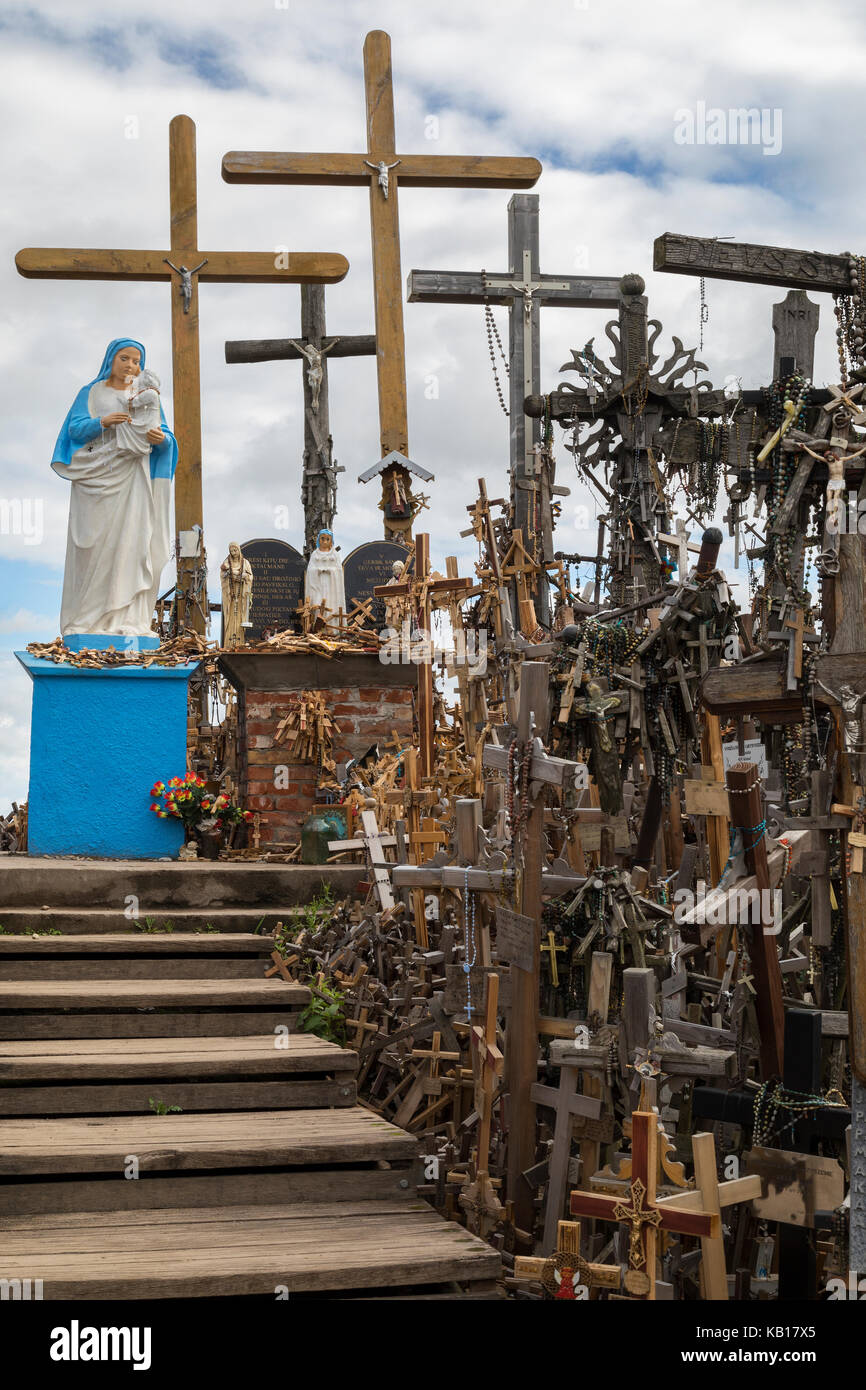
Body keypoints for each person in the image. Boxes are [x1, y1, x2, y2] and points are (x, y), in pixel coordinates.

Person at [51, 338, 178, 637]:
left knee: (131, 545)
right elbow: (74, 428)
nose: (131, 365)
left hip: (134, 478)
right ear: (111, 359)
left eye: (136, 361)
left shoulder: (146, 394)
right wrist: (103, 421)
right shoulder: (92, 392)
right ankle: (87, 620)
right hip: (97, 476)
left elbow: (165, 436)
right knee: (94, 549)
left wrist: (163, 441)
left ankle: (128, 619)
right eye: (125, 358)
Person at [304, 529, 345, 619]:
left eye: (327, 539)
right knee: (318, 602)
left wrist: (330, 571)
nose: (325, 541)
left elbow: (339, 570)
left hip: (331, 584)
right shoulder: (315, 554)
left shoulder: (334, 554)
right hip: (318, 583)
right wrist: (318, 570)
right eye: (322, 539)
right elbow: (310, 570)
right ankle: (317, 624)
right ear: (319, 540)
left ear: (331, 541)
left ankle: (331, 624)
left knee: (330, 603)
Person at [220, 542, 253, 648]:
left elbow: (250, 577)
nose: (234, 553)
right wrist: (229, 574)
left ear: (239, 550)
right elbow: (223, 575)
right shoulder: (226, 563)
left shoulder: (245, 563)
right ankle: (228, 644)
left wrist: (243, 576)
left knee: (239, 618)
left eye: (235, 550)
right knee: (230, 617)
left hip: (241, 595)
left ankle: (239, 643)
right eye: (231, 551)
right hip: (231, 595)